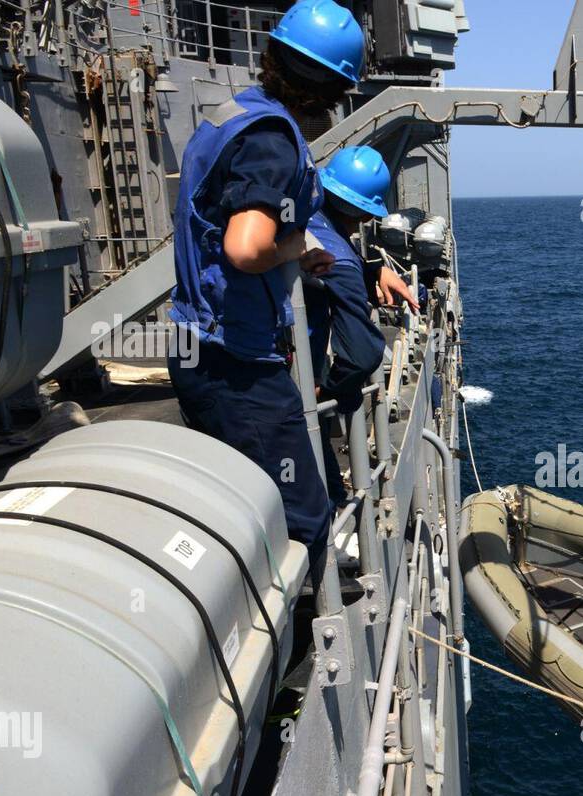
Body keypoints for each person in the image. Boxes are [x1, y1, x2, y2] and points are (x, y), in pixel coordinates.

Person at [168, 0, 364, 578]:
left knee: (241, 497)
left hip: (196, 342)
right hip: (237, 363)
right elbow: (245, 247)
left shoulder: (235, 115)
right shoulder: (273, 140)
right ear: (330, 91)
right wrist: (295, 245)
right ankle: (307, 650)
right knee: (305, 515)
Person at [301, 145, 417, 503]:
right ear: (367, 214)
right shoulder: (341, 262)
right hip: (292, 386)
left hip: (239, 366)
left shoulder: (297, 222)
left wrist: (373, 271)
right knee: (324, 497)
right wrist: (329, 391)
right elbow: (363, 355)